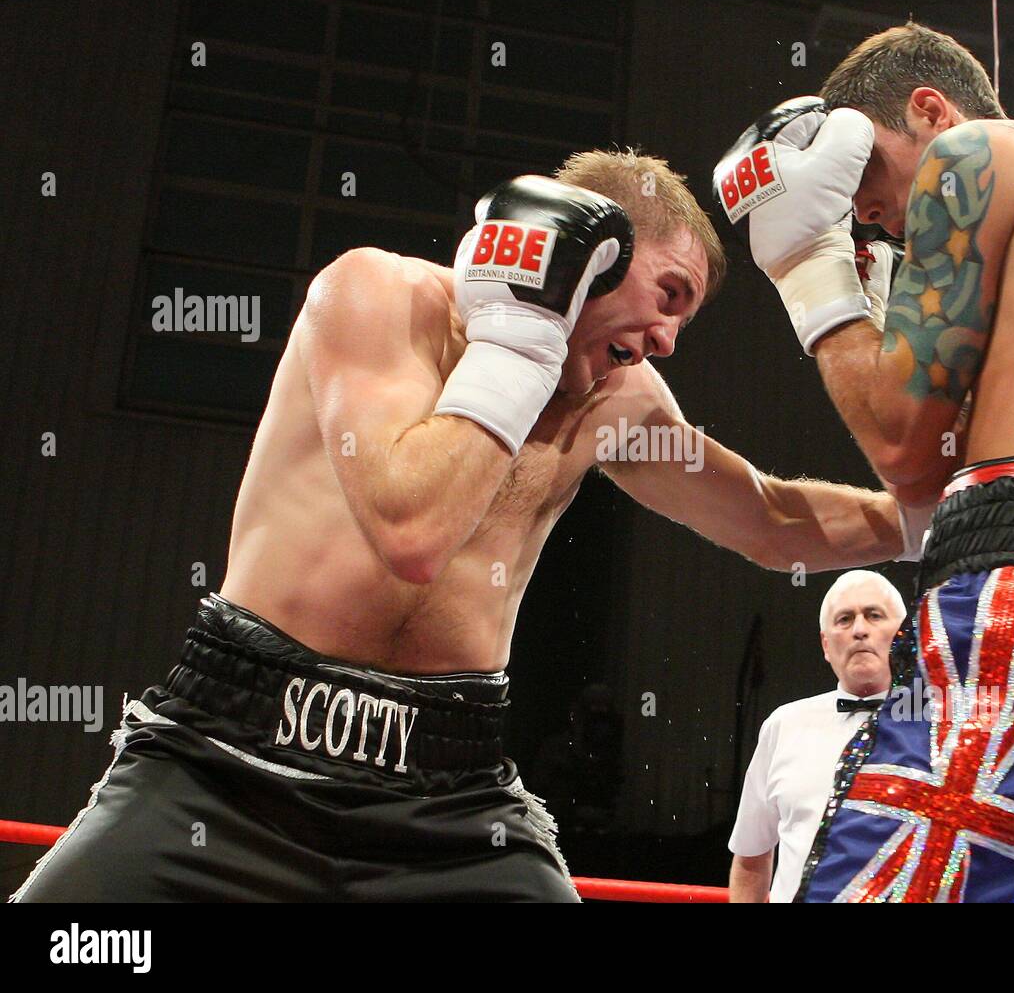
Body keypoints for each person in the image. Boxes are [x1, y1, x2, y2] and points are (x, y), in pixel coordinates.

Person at [12, 150, 931, 903]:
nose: (666, 341)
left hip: (448, 798)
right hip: (227, 762)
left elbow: (770, 520)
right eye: (670, 295)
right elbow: (411, 531)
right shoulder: (380, 300)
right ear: (593, 251)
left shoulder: (620, 401)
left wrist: (943, 515)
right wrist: (518, 342)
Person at [715, 22, 1014, 903]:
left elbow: (903, 450)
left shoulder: (965, 153)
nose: (863, 211)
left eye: (867, 177)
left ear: (927, 110)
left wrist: (806, 270)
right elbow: (951, 464)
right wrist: (883, 299)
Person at [729, 571, 904, 903]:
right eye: (845, 619)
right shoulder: (784, 725)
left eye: (873, 615)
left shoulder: (938, 725)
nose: (859, 630)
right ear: (826, 645)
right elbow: (750, 858)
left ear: (903, 634)